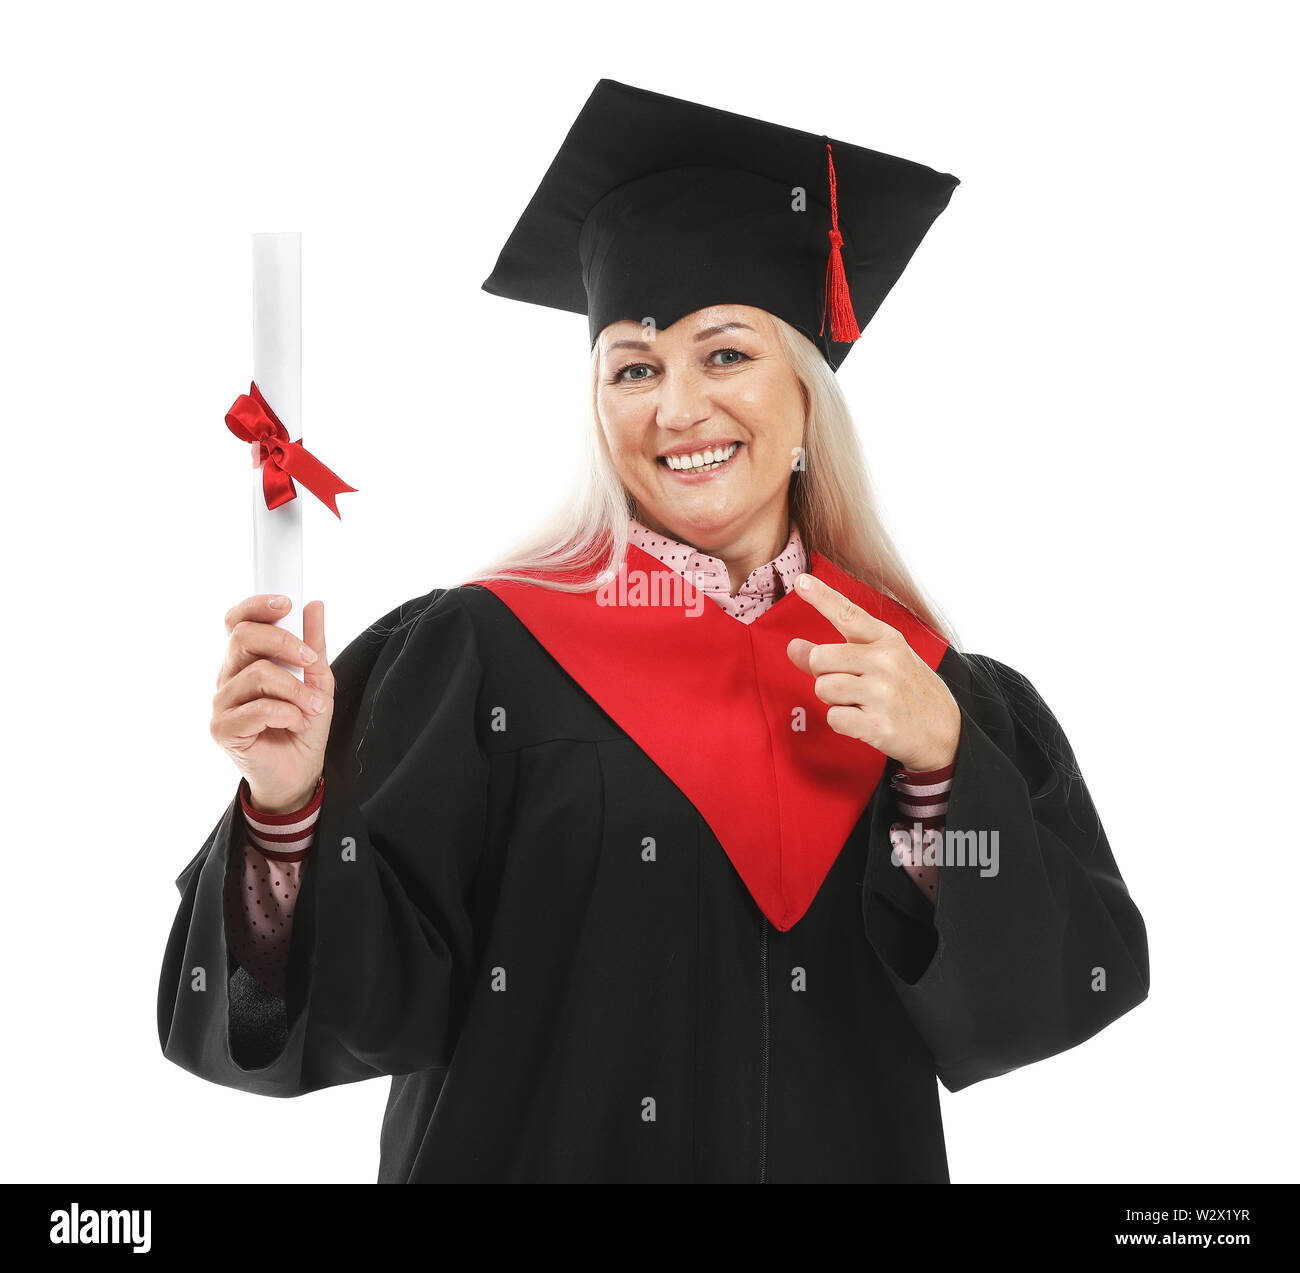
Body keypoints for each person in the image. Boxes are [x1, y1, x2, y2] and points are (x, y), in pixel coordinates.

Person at [158, 79, 1149, 1183]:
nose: (675, 409)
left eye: (725, 354)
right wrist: (290, 807)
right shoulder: (480, 656)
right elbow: (343, 1010)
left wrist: (937, 775)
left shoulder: (923, 690)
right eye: (633, 366)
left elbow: (1033, 1005)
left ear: (806, 401)